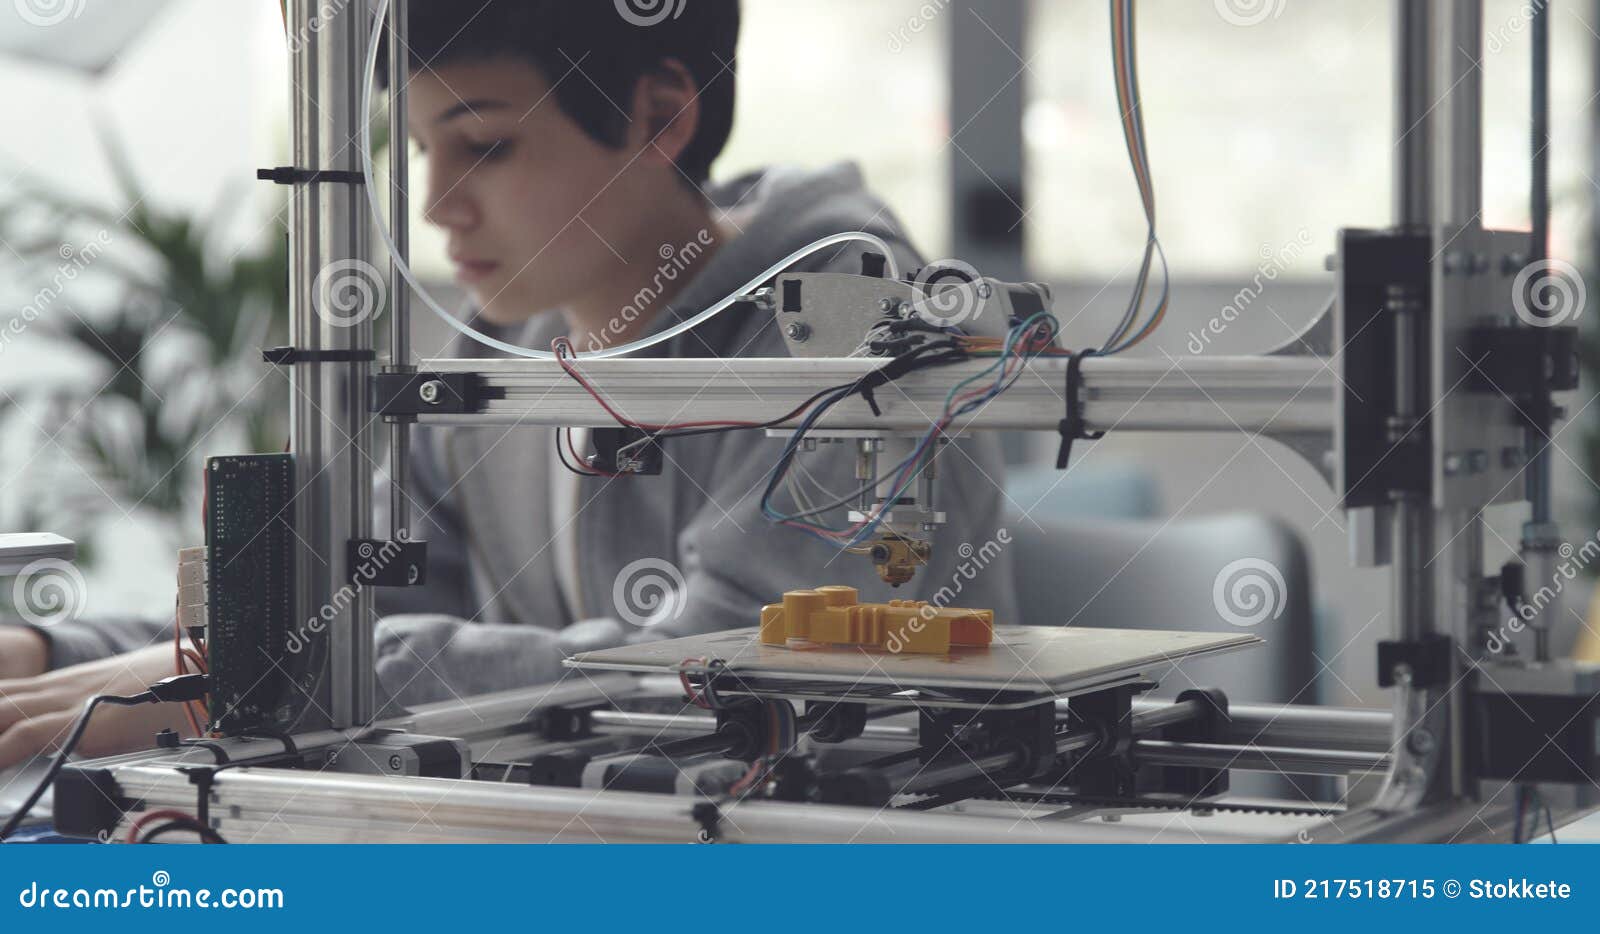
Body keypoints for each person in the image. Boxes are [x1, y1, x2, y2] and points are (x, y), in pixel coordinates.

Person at [0, 0, 1015, 769]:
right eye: (420, 148)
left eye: (483, 144)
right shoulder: (502, 349)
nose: (435, 205)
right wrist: (53, 651)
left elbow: (739, 681)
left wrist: (272, 679)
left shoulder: (858, 323)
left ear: (660, 112)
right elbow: (359, 610)